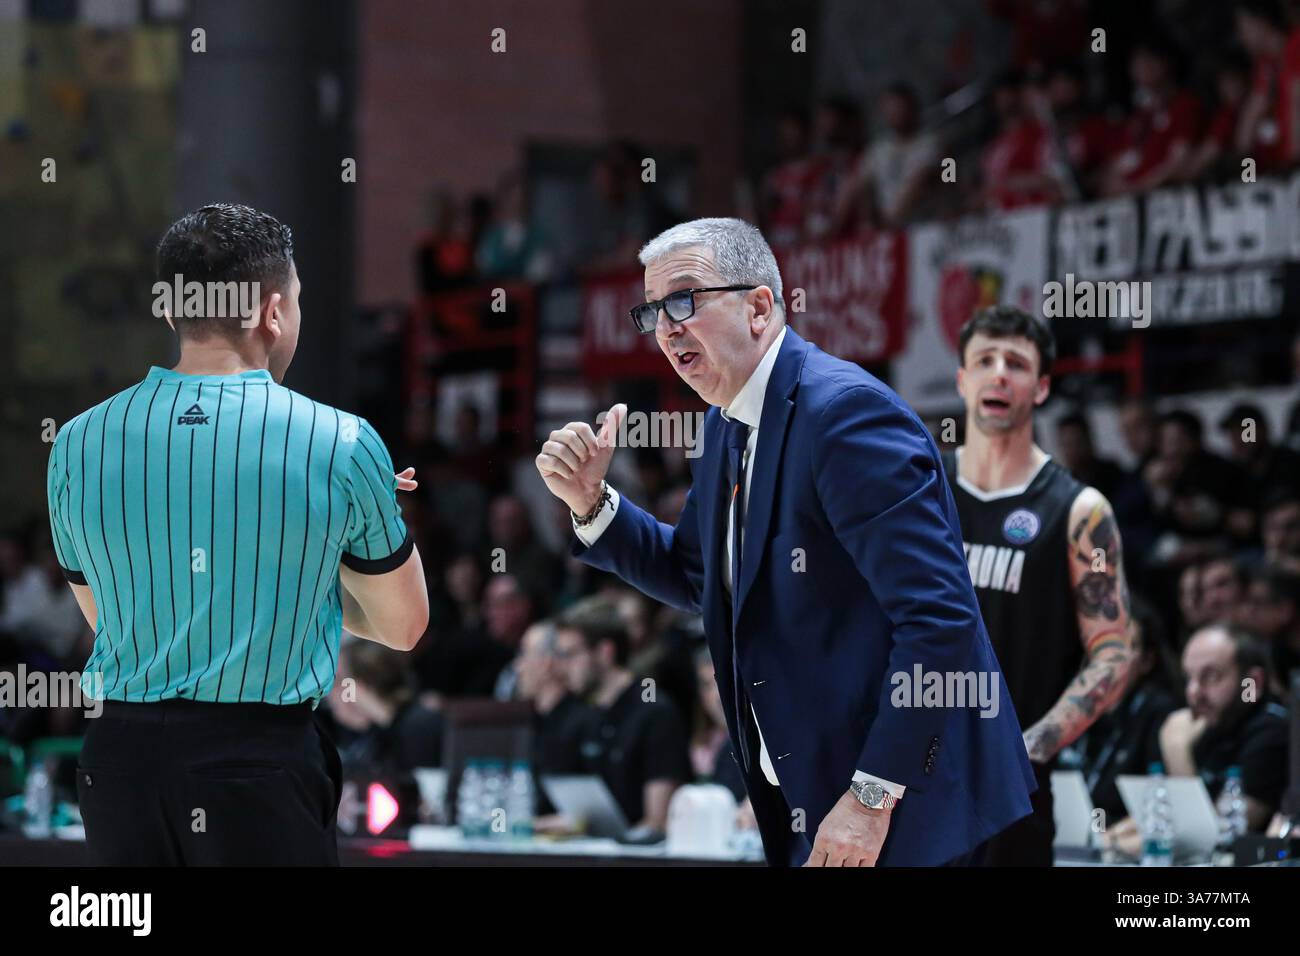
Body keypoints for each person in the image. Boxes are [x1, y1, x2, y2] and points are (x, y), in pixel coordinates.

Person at [534, 217, 1033, 866]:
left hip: (907, 807)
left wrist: (873, 796)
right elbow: (696, 575)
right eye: (652, 311)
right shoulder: (724, 424)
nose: (666, 326)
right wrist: (591, 503)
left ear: (761, 307)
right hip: (813, 799)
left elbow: (939, 620)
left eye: (684, 300)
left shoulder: (843, 415)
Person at [46, 204, 429, 865]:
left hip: (118, 768)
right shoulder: (341, 442)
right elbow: (402, 628)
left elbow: (110, 618)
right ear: (271, 311)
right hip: (257, 769)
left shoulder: (76, 443)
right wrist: (325, 531)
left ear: (170, 311)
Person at [941, 305, 1136, 865]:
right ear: (962, 379)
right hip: (910, 776)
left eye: (1017, 364)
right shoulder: (919, 489)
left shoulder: (1079, 510)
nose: (999, 373)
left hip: (1012, 797)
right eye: (984, 360)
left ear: (1042, 386)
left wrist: (1034, 744)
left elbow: (1114, 652)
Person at [554, 596, 690, 836]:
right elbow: (584, 816)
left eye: (570, 654)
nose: (562, 666)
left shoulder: (655, 713)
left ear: (605, 652)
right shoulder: (588, 716)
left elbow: (657, 823)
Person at [1158, 625, 1289, 830]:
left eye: (1210, 677)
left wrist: (1177, 753)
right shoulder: (1213, 724)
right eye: (1188, 678)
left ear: (1251, 683)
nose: (1193, 693)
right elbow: (1163, 814)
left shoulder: (1273, 733)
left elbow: (1220, 834)